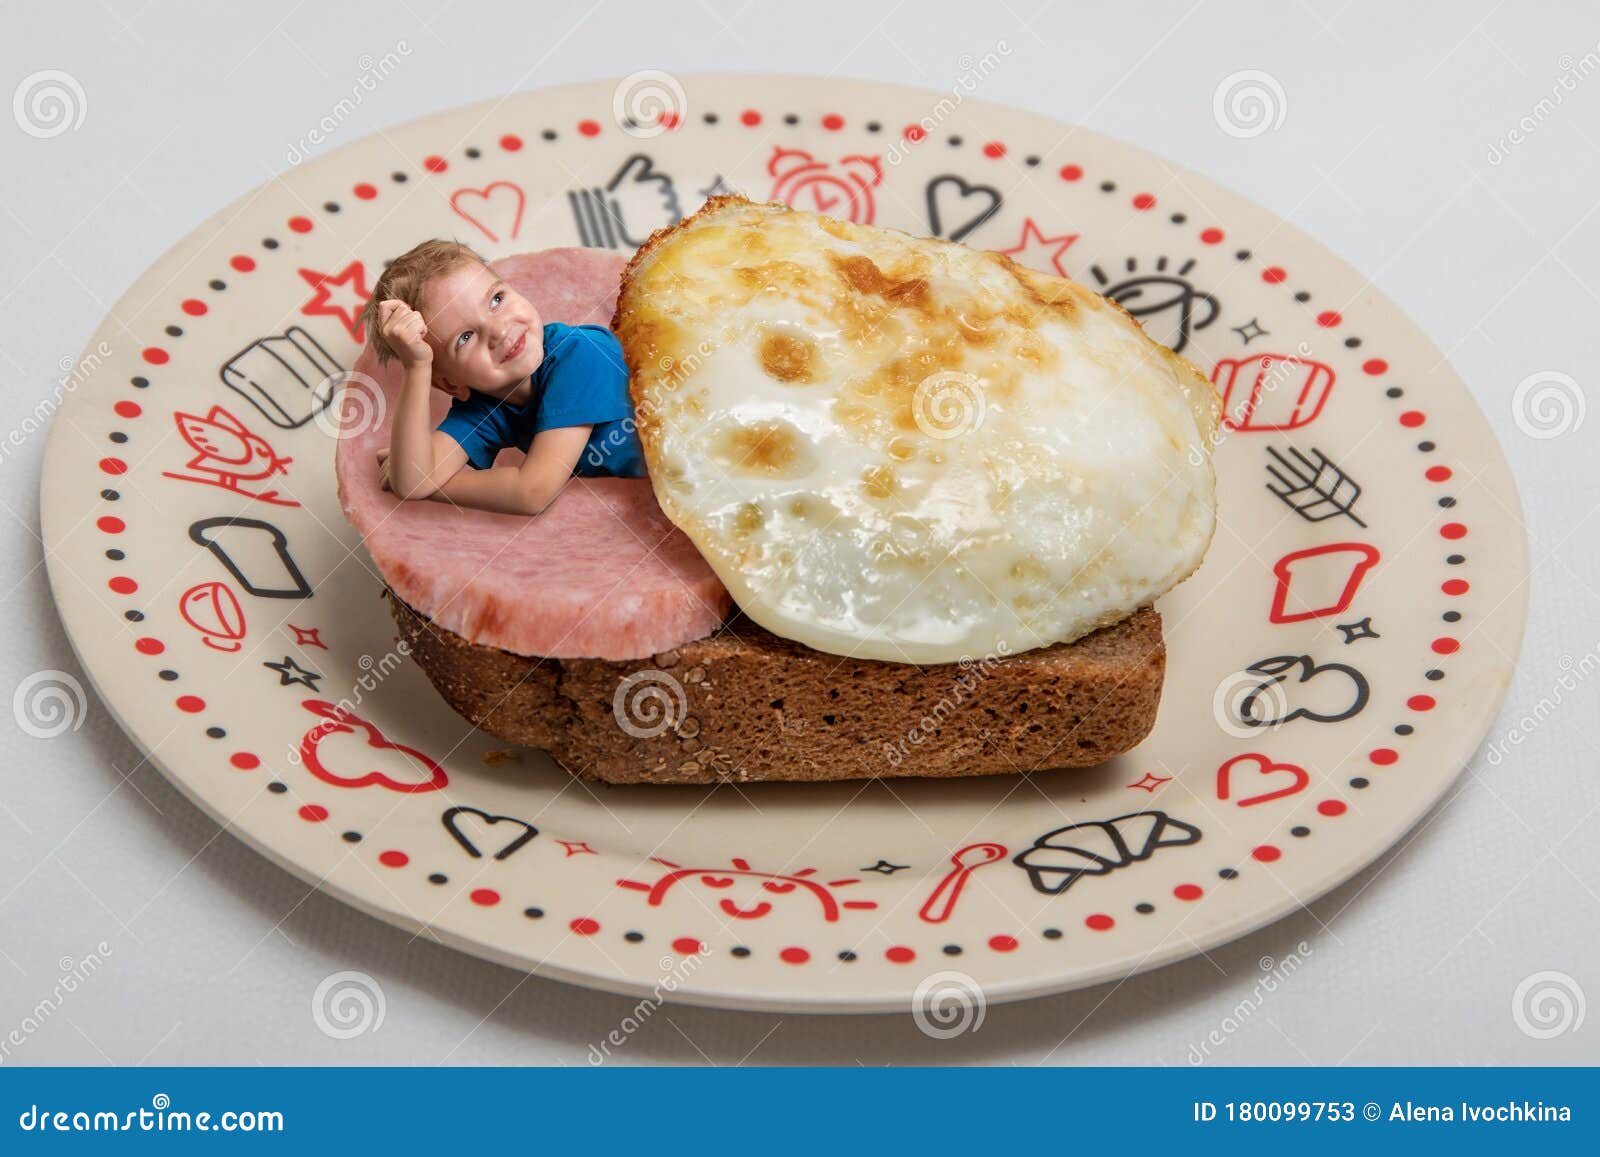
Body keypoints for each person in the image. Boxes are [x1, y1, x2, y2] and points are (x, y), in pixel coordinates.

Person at [357, 239, 644, 517]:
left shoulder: (579, 354)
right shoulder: (486, 404)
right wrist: (417, 366)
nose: (498, 331)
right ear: (450, 384)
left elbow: (532, 492)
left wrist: (437, 486)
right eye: (465, 337)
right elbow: (413, 482)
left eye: (496, 299)